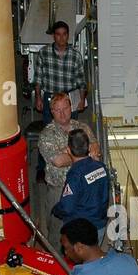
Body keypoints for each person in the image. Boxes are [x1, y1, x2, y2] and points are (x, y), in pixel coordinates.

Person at [36, 93, 98, 241]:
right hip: (59, 190)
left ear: (71, 108)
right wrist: (84, 153)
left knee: (83, 231)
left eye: (65, 108)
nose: (62, 113)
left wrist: (69, 153)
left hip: (84, 188)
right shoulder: (46, 135)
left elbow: (95, 146)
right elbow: (58, 161)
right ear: (52, 111)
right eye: (57, 110)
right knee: (57, 233)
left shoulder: (82, 127)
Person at [51, 129, 111, 245]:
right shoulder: (101, 167)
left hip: (81, 230)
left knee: (81, 260)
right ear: (89, 148)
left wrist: (56, 209)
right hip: (100, 225)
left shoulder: (75, 175)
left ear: (68, 150)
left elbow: (67, 207)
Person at [32, 21, 87, 123]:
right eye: (58, 34)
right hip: (50, 97)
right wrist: (38, 98)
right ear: (54, 36)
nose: (61, 37)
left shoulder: (76, 55)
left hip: (70, 98)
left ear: (68, 35)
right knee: (50, 129)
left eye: (64, 34)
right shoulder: (44, 53)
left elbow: (81, 81)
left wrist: (82, 100)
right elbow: (38, 79)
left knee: (71, 131)